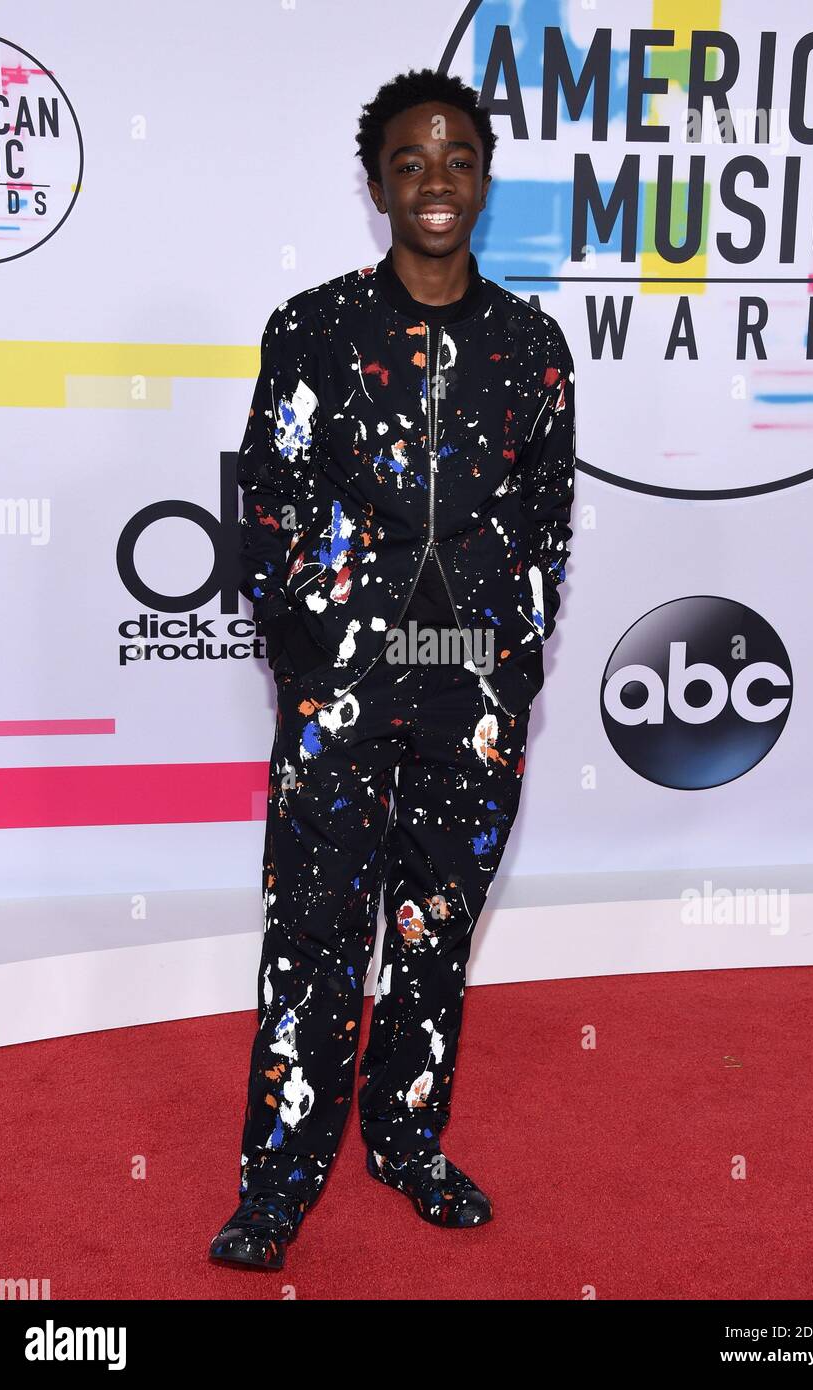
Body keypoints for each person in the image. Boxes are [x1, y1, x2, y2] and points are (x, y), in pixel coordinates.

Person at [209, 66, 576, 1271]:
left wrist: (506, 666)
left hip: (470, 692)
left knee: (434, 931)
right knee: (312, 933)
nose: (435, 182)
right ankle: (278, 1179)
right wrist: (324, 662)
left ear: (483, 181)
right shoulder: (312, 328)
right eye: (410, 163)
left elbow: (544, 523)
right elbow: (268, 512)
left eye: (457, 160)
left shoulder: (533, 345)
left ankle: (408, 1142)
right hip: (343, 697)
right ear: (376, 186)